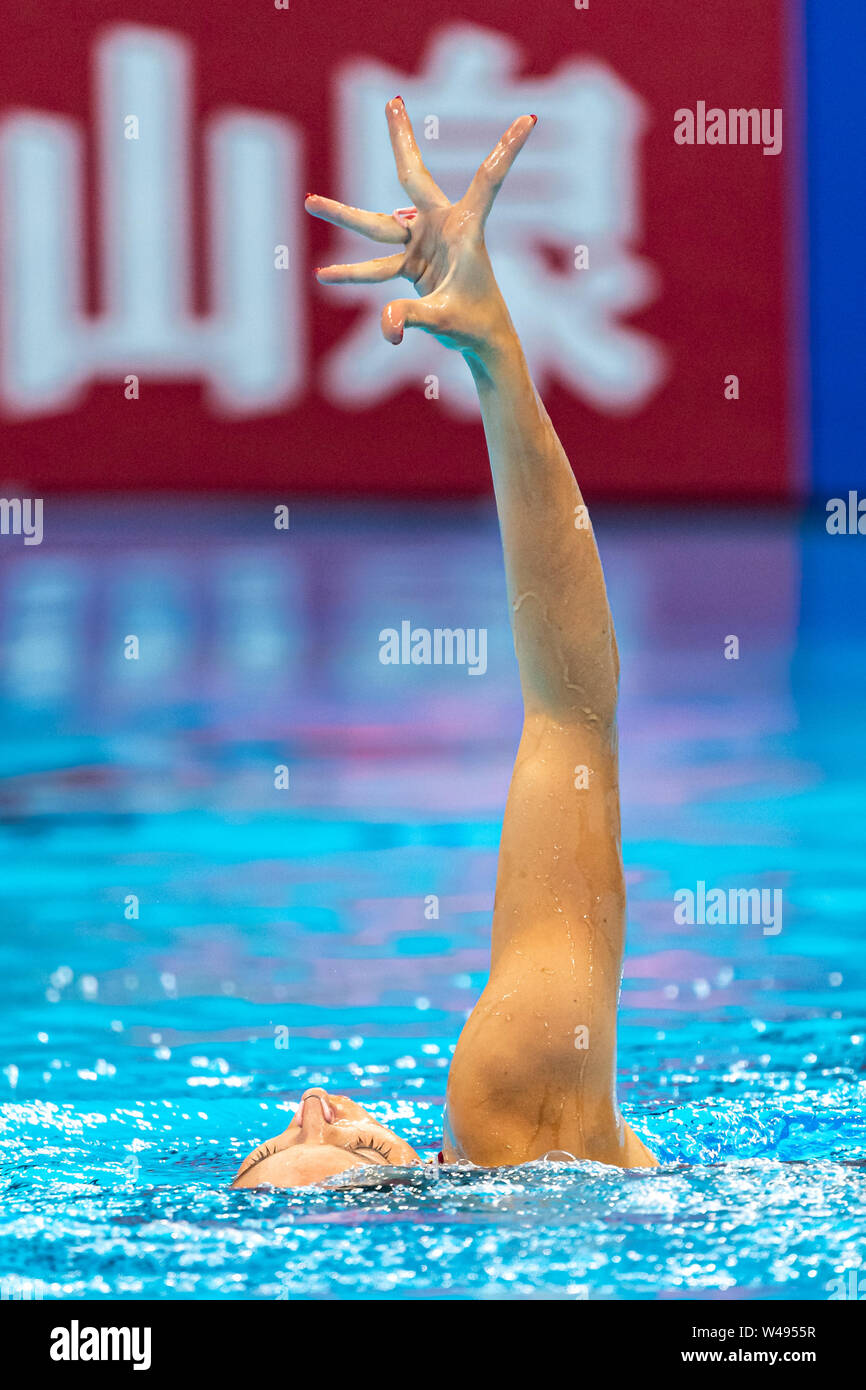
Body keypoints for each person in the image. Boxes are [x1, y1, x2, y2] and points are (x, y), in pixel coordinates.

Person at [232, 97, 657, 1190]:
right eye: (298, 1141)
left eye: (277, 1125)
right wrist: (498, 359)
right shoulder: (507, 1100)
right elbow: (571, 706)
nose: (312, 1101)